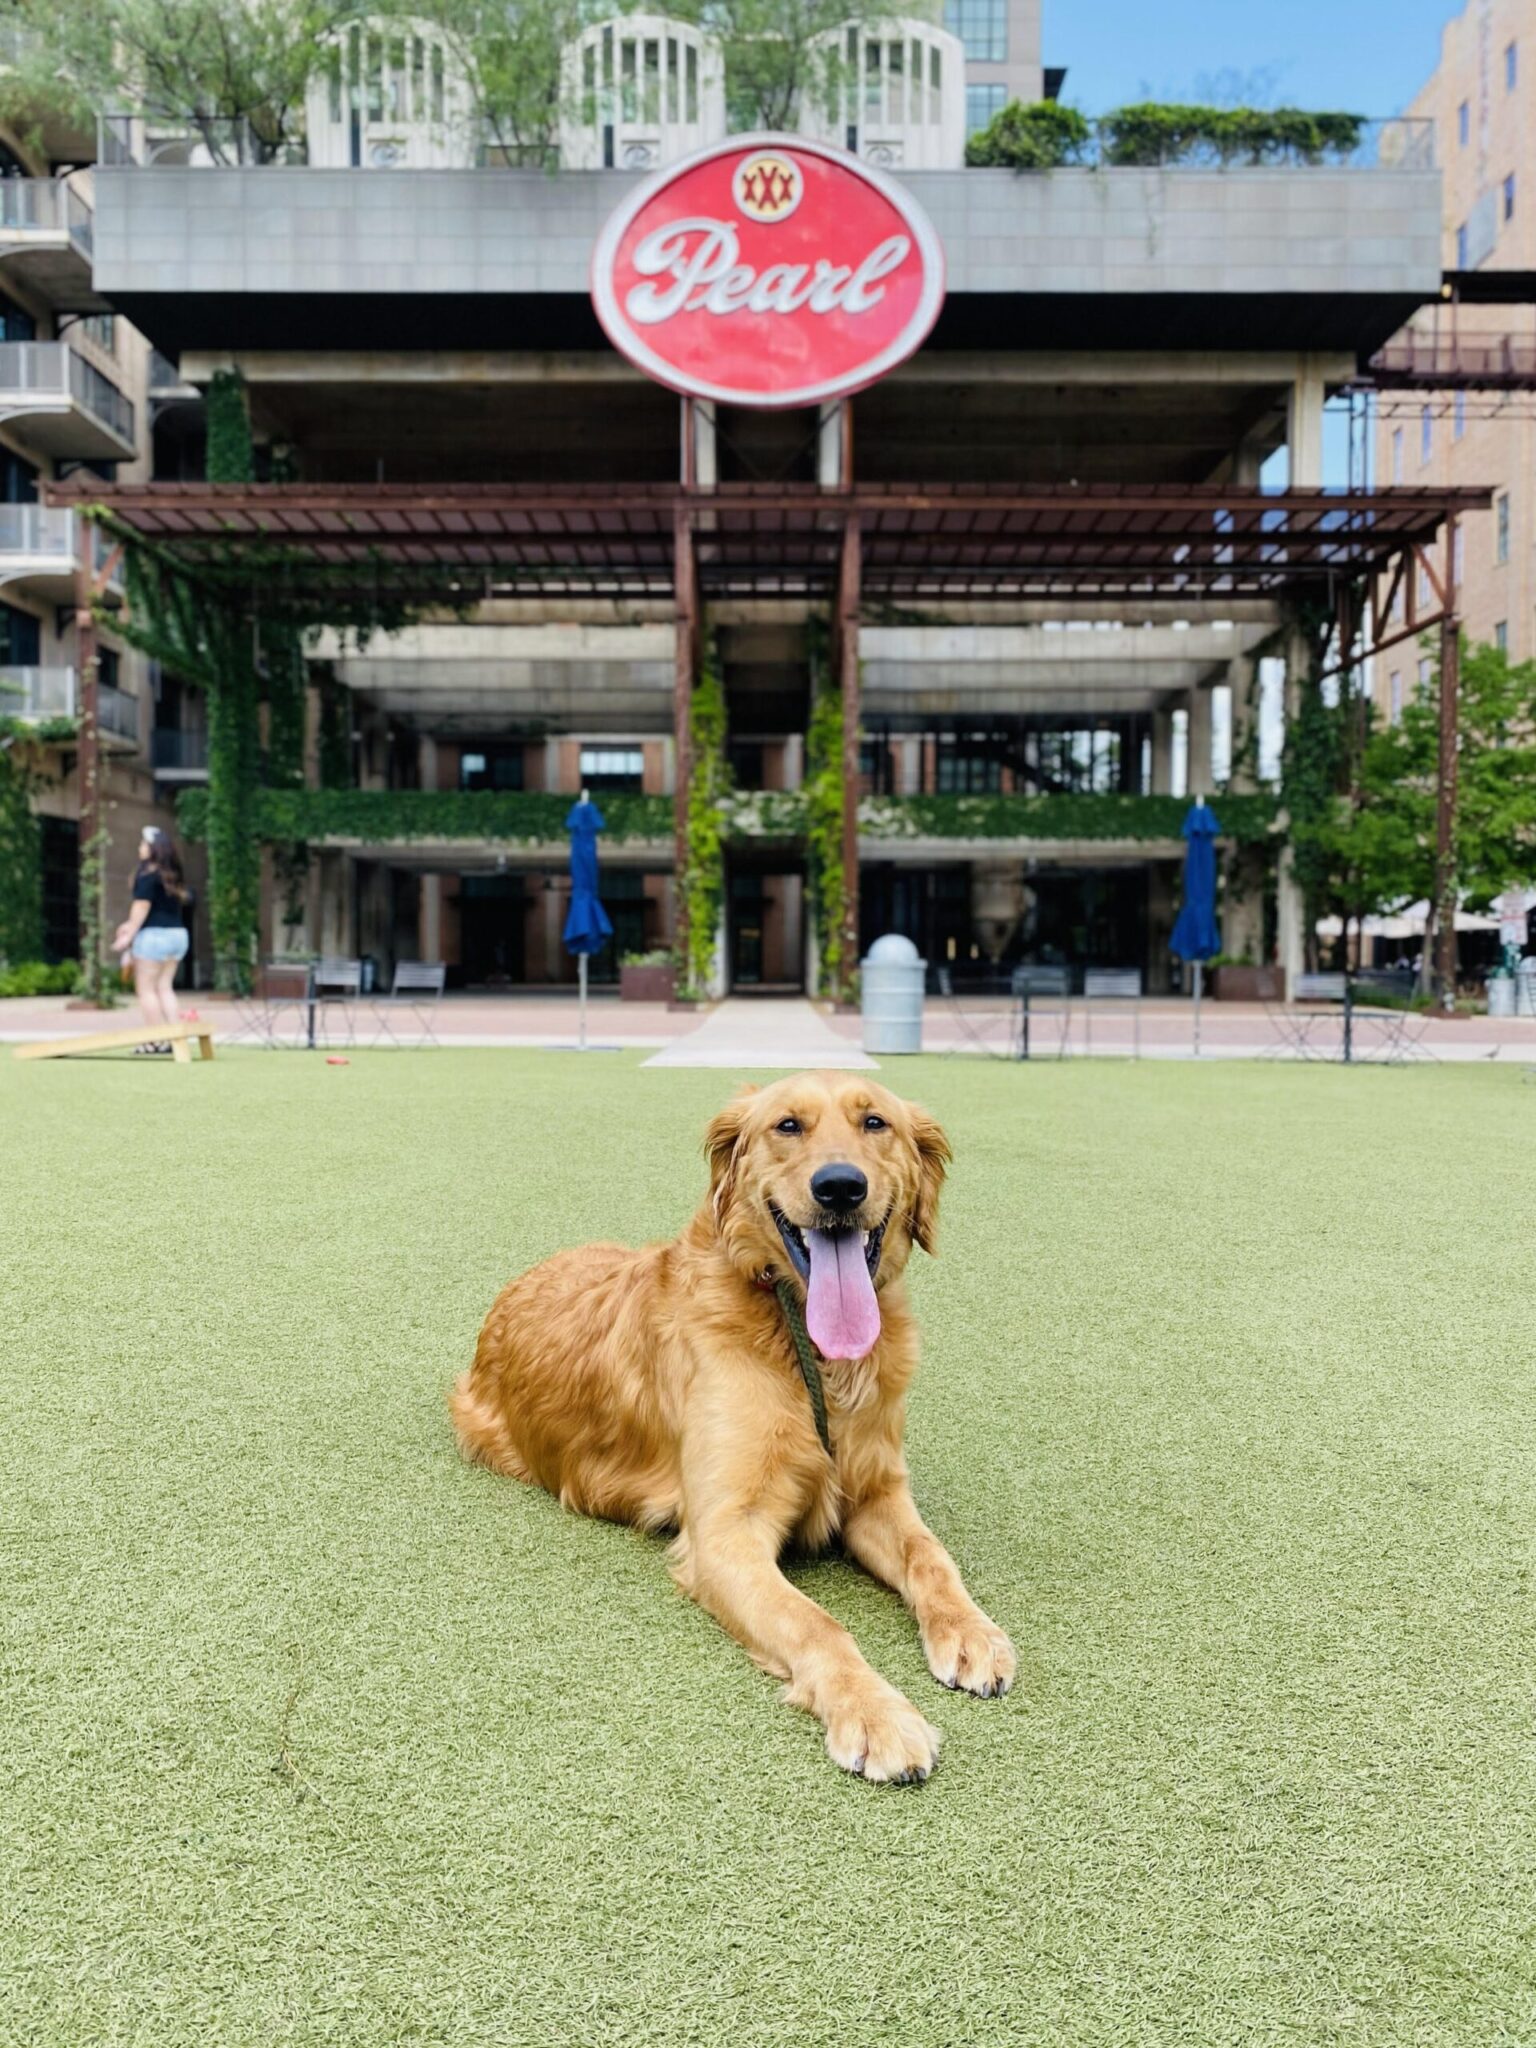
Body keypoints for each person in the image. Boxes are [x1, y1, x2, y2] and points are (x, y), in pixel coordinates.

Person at [112, 827, 192, 1053]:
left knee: (146, 990)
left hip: (154, 937)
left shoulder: (147, 873)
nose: (140, 848)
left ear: (152, 848)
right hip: (178, 936)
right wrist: (129, 927)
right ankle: (177, 1038)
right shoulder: (172, 875)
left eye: (143, 844)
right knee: (164, 988)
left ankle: (154, 1040)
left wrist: (128, 935)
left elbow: (142, 906)